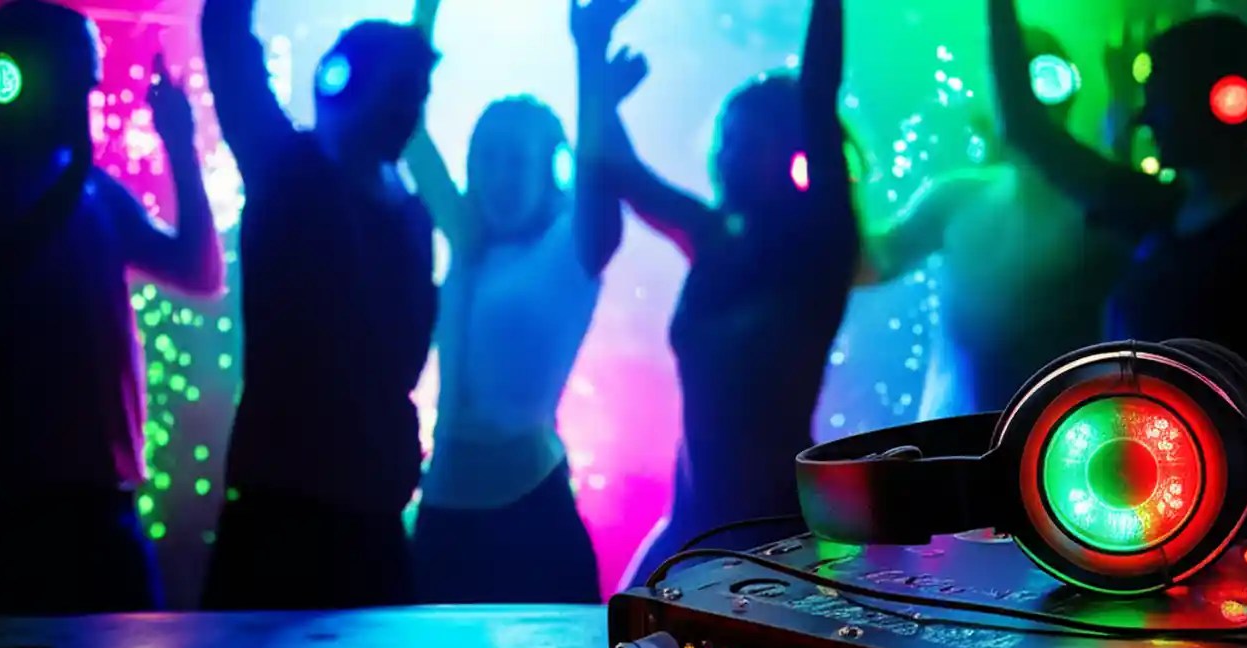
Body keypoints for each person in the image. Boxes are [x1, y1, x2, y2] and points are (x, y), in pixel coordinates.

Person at [0, 0, 221, 614]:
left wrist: (180, 148)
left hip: (108, 500)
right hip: (30, 503)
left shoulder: (92, 188)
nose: (84, 103)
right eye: (76, 85)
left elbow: (198, 273)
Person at [199, 0, 437, 609]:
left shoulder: (413, 216)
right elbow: (225, 36)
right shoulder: (288, 171)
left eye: (418, 95)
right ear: (344, 83)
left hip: (368, 514)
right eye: (401, 92)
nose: (410, 112)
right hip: (281, 514)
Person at [615, 0, 861, 587]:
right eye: (726, 140)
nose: (728, 156)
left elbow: (817, 95)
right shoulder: (712, 238)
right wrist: (594, 73)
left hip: (773, 535)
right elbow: (621, 171)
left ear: (795, 150)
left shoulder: (820, 246)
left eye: (749, 142)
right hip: (692, 524)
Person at [404, 0, 628, 604]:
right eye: (486, 156)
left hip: (529, 515)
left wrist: (589, 54)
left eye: (516, 159)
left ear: (548, 168)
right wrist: (425, 12)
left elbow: (597, 186)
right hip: (444, 511)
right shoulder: (468, 237)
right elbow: (410, 130)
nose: (497, 174)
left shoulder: (567, 250)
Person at [863, 29, 1128, 420]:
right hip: (961, 446)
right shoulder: (954, 198)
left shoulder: (1106, 208)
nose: (1026, 97)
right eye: (1012, 78)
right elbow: (869, 263)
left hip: (1044, 443)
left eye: (1045, 75)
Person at [989, 0, 1247, 369]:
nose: (1143, 118)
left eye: (1162, 98)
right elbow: (1026, 128)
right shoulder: (1159, 212)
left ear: (1223, 99)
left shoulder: (1169, 216)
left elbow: (1027, 129)